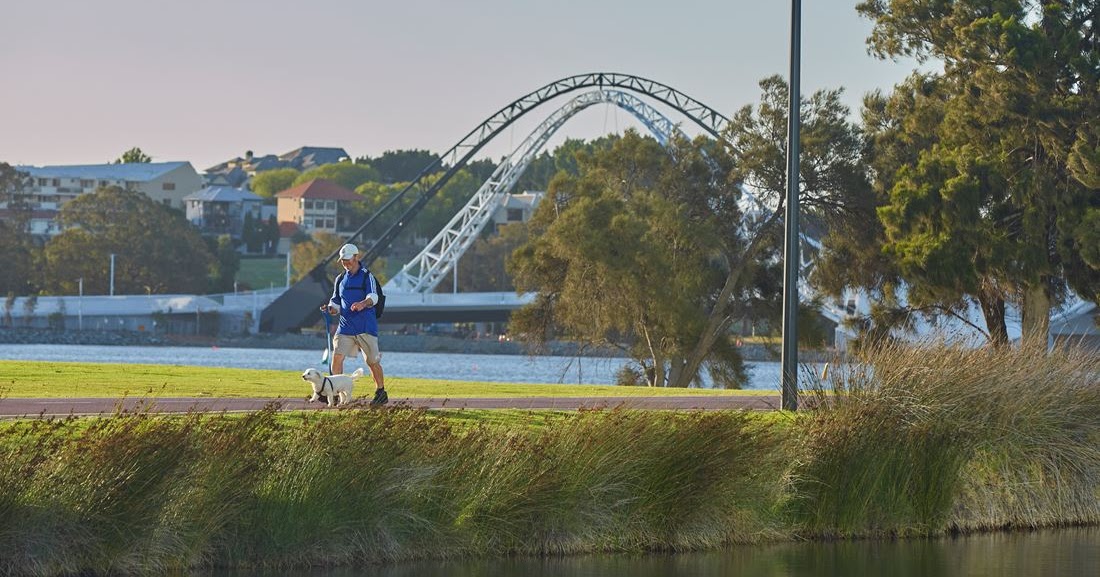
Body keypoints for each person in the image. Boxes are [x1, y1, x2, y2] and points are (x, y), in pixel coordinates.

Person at [320, 243, 387, 406]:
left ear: (357, 257)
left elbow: (374, 297)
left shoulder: (366, 276)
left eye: (348, 260)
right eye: (343, 261)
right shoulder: (340, 279)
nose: (346, 263)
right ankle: (335, 393)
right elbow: (335, 302)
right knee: (337, 357)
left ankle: (380, 392)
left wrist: (363, 304)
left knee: (372, 362)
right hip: (345, 326)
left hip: (365, 326)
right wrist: (331, 309)